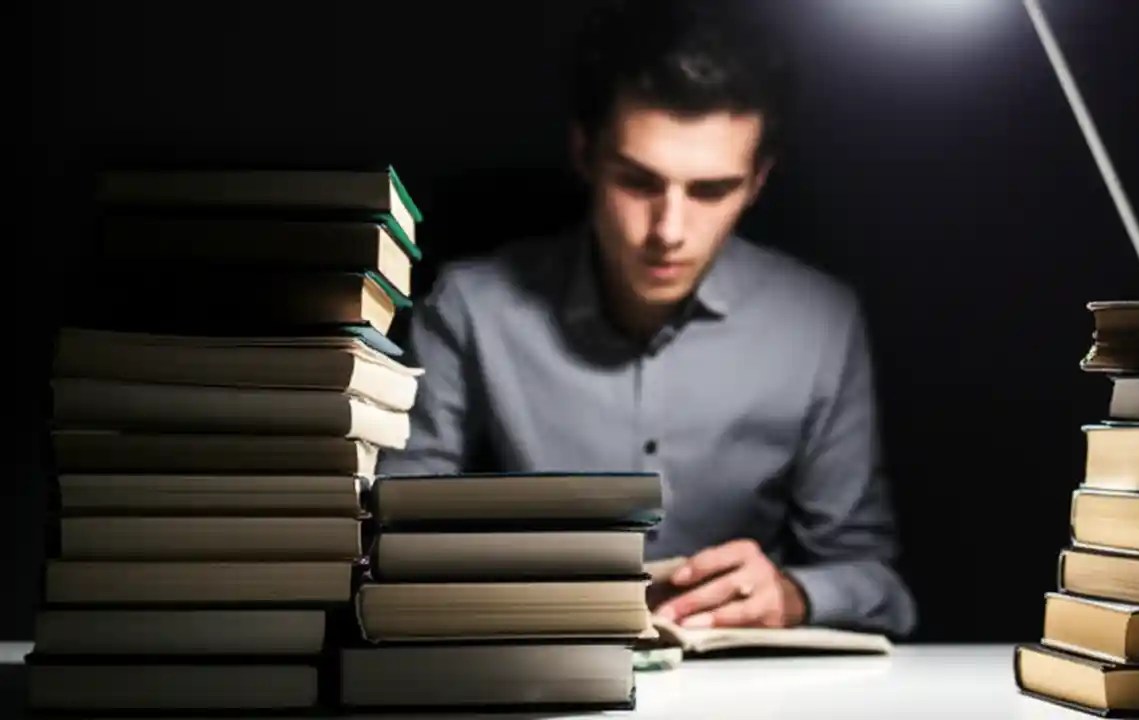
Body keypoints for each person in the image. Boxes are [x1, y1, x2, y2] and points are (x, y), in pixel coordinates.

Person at [376, 0, 917, 638]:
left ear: (759, 180)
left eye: (712, 190)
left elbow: (874, 581)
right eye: (638, 182)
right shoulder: (470, 307)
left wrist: (793, 594)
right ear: (585, 153)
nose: (669, 231)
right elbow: (390, 540)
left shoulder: (819, 321)